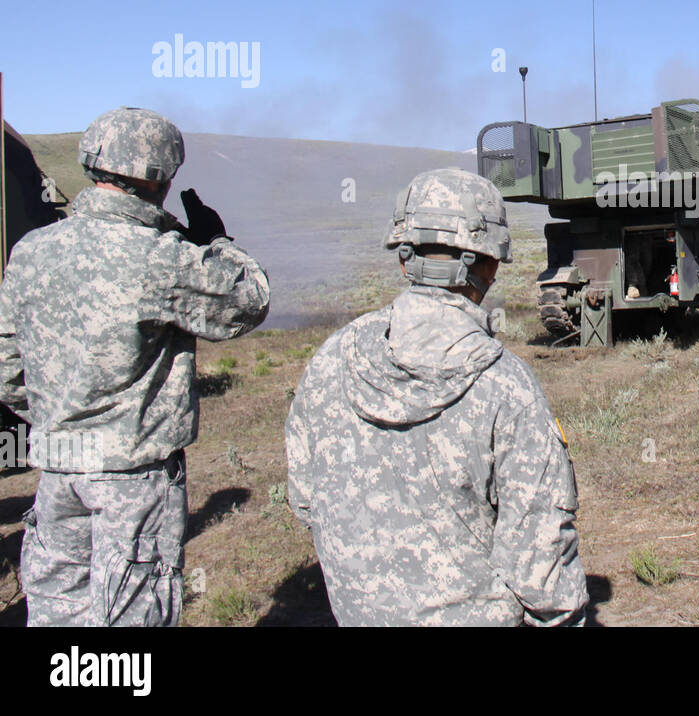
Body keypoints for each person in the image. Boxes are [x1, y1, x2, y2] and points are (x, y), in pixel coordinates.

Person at [0, 106, 270, 626]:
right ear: (161, 177)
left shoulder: (31, 251)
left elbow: (9, 369)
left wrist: (57, 418)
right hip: (133, 480)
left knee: (58, 618)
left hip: (56, 472)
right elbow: (249, 300)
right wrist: (214, 241)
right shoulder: (158, 255)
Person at [285, 168, 588, 626]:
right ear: (490, 263)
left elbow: (307, 500)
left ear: (404, 259)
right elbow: (542, 573)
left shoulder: (333, 360)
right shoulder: (506, 387)